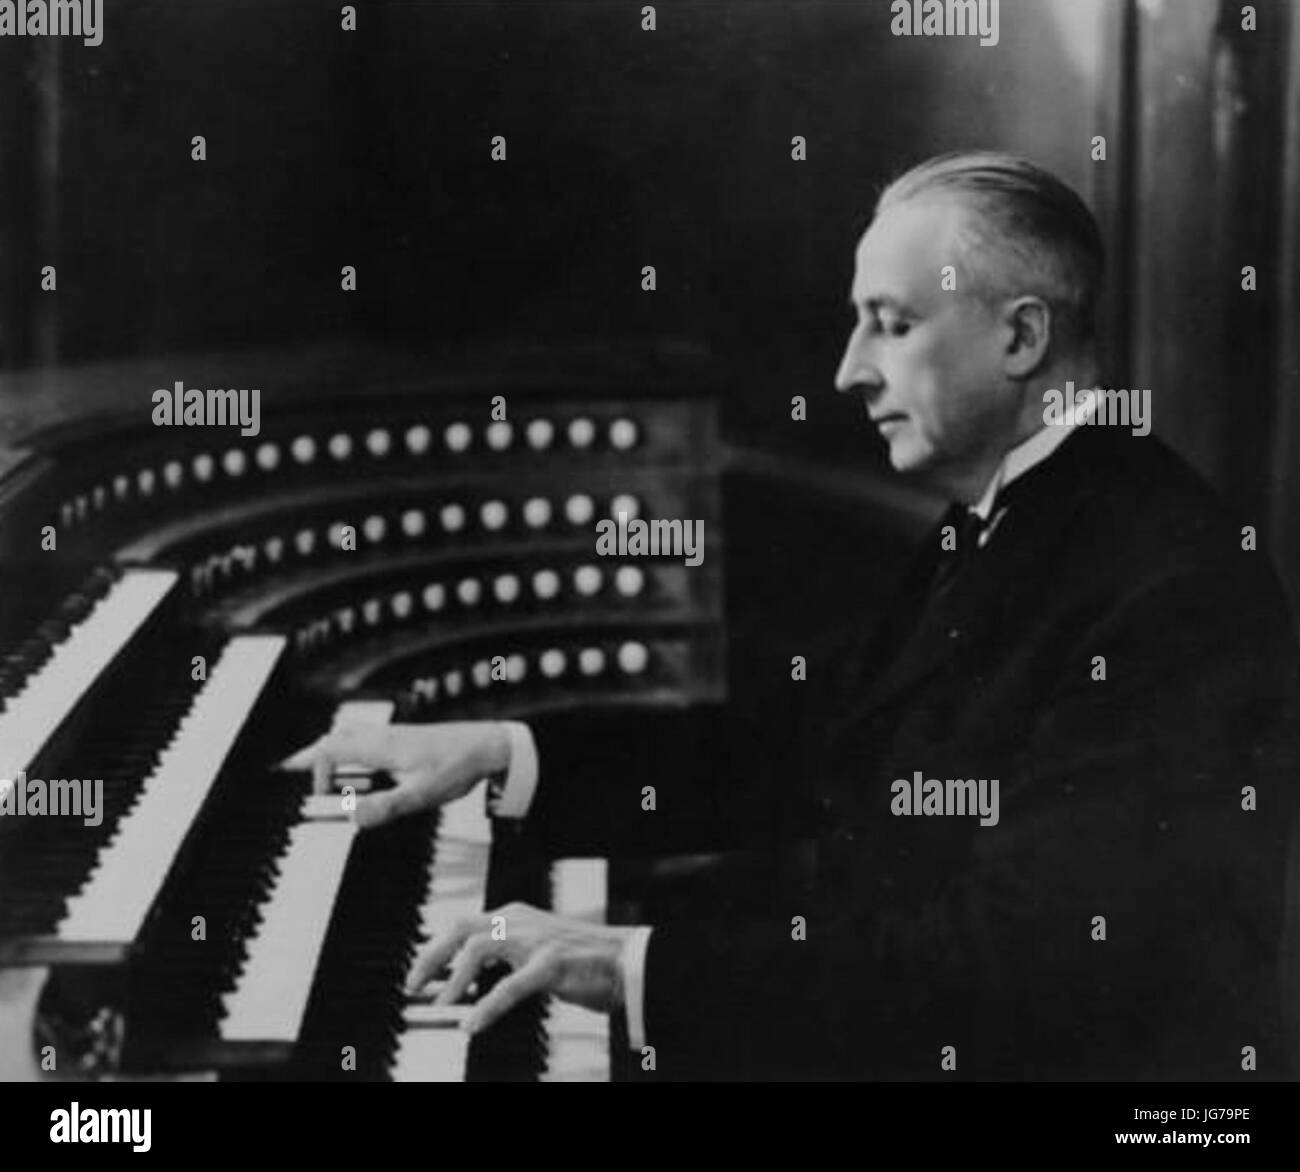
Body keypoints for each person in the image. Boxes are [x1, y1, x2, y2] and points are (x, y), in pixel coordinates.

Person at [284, 152, 1300, 1080]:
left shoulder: (1169, 591)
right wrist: (508, 752)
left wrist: (630, 966)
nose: (847, 370)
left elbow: (1023, 972)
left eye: (891, 324)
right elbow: (812, 745)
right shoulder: (1011, 513)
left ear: (1022, 336)